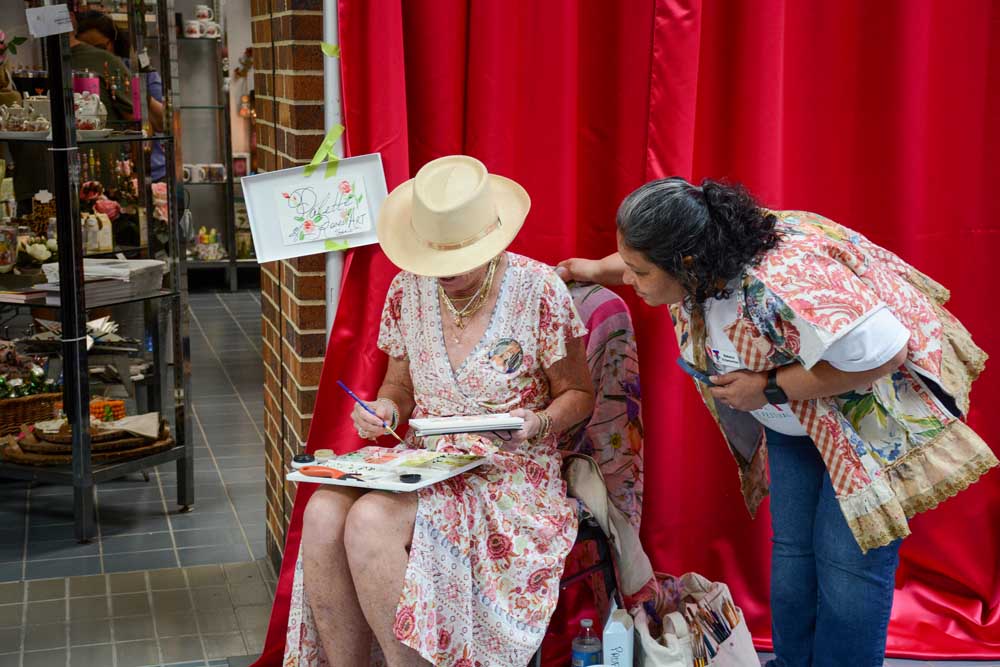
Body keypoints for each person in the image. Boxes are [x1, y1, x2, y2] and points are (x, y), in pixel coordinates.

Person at [556, 177, 996, 667]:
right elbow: (640, 260)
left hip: (864, 426)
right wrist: (590, 269)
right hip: (797, 422)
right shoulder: (697, 252)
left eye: (638, 273)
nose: (631, 281)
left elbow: (889, 351)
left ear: (685, 264)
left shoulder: (784, 282)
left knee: (848, 565)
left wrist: (767, 387)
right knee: (793, 553)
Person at [288, 155, 594, 666]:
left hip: (508, 471)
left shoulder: (538, 288)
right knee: (322, 511)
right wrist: (383, 409)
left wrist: (540, 422)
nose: (444, 271)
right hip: (429, 461)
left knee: (368, 522)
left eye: (459, 256)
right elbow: (398, 387)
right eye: (434, 257)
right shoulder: (406, 290)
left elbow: (579, 396)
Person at [75, 10, 166, 182]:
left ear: (113, 42)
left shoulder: (138, 73)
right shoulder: (79, 77)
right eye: (87, 50)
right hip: (103, 171)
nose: (95, 56)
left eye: (100, 48)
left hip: (150, 172)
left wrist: (135, 90)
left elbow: (161, 123)